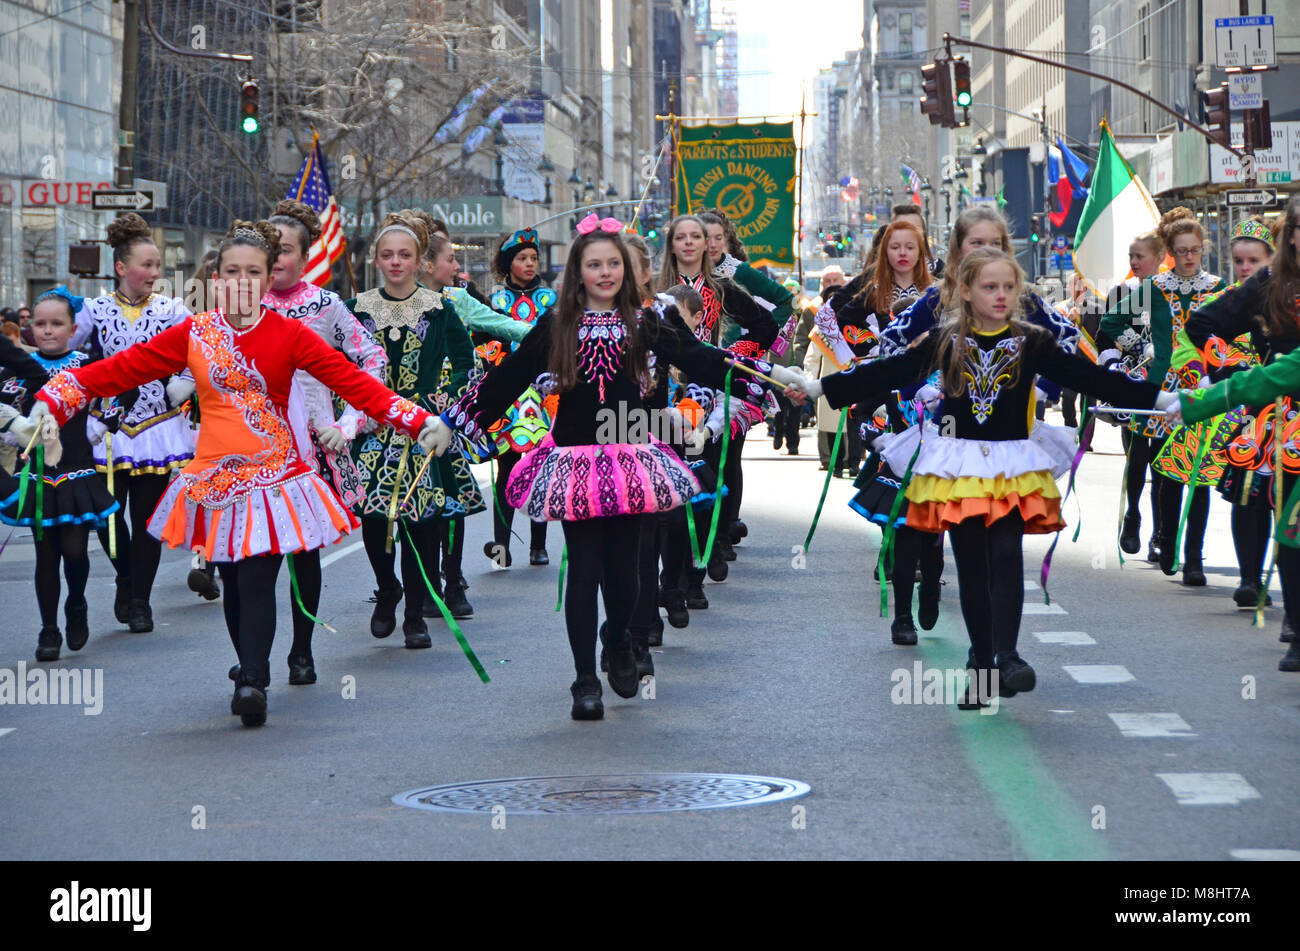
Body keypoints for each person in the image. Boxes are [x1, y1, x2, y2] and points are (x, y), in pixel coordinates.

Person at [19, 219, 446, 726]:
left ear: (268, 280)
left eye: (253, 271)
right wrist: (54, 400)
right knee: (235, 579)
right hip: (214, 480)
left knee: (257, 575)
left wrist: (418, 421)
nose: (241, 280)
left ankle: (252, 678)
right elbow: (119, 369)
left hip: (274, 474)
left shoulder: (291, 334)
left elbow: (356, 384)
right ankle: (248, 662)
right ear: (217, 278)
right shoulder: (194, 333)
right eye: (231, 271)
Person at [434, 220, 785, 720]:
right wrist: (450, 422)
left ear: (626, 270)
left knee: (625, 573)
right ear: (578, 271)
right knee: (583, 568)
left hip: (631, 462)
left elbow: (702, 359)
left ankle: (619, 640)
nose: (605, 272)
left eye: (613, 263)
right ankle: (583, 680)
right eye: (594, 264)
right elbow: (506, 379)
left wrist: (771, 377)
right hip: (576, 464)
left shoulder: (647, 322)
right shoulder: (558, 324)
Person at [788, 248, 1158, 707]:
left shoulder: (1032, 339)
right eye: (989, 287)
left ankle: (1008, 656)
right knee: (972, 567)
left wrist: (1160, 399)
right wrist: (819, 387)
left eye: (1009, 287)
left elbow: (1090, 378)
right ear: (964, 291)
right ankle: (982, 667)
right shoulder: (945, 338)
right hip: (959, 468)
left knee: (1005, 553)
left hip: (1011, 466)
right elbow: (889, 370)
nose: (1001, 296)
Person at [1163, 203, 1300, 671]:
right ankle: (1285, 612)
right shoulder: (1267, 286)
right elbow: (1202, 326)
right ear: (1292, 236)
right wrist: (1235, 370)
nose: (1244, 267)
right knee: (1273, 507)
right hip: (1279, 412)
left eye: (1251, 258)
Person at [261, 199, 387, 681]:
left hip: (309, 449)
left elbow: (371, 362)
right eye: (268, 248)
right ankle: (254, 659)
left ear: (306, 256)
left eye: (286, 249)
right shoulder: (240, 307)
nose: (276, 259)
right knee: (256, 560)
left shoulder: (325, 305)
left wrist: (350, 422)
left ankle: (301, 649)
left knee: (301, 553)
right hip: (251, 447)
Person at [344, 212, 484, 640]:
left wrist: (444, 402)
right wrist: (346, 408)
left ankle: (414, 616)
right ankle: (388, 589)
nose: (396, 262)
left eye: (405, 254)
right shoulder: (356, 310)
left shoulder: (440, 308)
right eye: (387, 255)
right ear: (376, 260)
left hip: (423, 427)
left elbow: (467, 362)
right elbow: (337, 366)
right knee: (372, 514)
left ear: (419, 259)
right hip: (372, 424)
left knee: (420, 520)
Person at [74, 213, 195, 633]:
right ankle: (125, 579)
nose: (155, 273)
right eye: (147, 265)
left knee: (146, 521)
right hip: (106, 430)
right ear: (122, 268)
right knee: (107, 515)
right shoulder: (93, 311)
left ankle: (140, 600)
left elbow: (200, 355)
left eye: (159, 266)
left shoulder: (172, 309)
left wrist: (183, 385)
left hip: (157, 428)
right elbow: (68, 359)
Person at [1098, 207, 1226, 585]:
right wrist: (1144, 345)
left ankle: (1194, 557)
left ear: (1203, 250)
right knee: (1164, 469)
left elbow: (1234, 333)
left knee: (1199, 471)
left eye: (1195, 250)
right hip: (1160, 389)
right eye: (1182, 250)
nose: (1189, 257)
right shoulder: (1155, 289)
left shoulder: (1218, 288)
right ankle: (1166, 539)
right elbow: (1110, 322)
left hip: (1201, 388)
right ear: (1171, 250)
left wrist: (1222, 362)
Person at [416, 218, 532, 617]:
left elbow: (503, 325)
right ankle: (420, 584)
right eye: (451, 260)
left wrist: (546, 335)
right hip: (409, 414)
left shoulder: (459, 299)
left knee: (453, 494)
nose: (458, 268)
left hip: (452, 412)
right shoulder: (394, 304)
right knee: (418, 500)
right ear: (428, 265)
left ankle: (452, 578)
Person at [1, 292, 120, 661]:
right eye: (40, 324)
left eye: (56, 324)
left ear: (72, 328)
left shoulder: (87, 364)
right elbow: (4, 407)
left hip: (77, 469)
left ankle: (77, 602)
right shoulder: (18, 368)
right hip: (36, 474)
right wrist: (12, 426)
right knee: (45, 553)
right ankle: (48, 628)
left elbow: (119, 391)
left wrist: (100, 425)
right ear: (30, 328)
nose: (48, 331)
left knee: (74, 550)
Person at [658, 214, 779, 564]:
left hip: (710, 388)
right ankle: (675, 553)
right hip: (665, 391)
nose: (690, 243)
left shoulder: (722, 290)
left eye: (697, 236)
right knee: (670, 466)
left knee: (713, 466)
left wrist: (731, 356)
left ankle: (714, 540)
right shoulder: (654, 288)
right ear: (672, 244)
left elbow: (766, 327)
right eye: (681, 237)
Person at [479, 227, 555, 569]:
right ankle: (501, 546)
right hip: (508, 396)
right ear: (508, 263)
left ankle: (538, 545)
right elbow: (483, 343)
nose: (529, 263)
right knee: (506, 470)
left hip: (543, 395)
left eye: (534, 258)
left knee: (539, 465)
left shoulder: (551, 300)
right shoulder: (494, 302)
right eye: (522, 258)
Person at [1110, 229, 1175, 559]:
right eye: (1131, 256)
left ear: (1160, 257)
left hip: (1169, 382)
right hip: (1135, 380)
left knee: (1163, 462)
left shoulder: (1169, 291)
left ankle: (1161, 532)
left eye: (1140, 256)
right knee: (1136, 456)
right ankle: (1132, 515)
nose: (1134, 262)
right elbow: (1107, 330)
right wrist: (1136, 346)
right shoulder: (1124, 291)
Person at [770, 277, 815, 455]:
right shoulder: (777, 314)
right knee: (780, 406)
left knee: (795, 406)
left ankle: (793, 442)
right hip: (779, 365)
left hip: (797, 367)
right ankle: (778, 431)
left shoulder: (806, 313)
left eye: (795, 291)